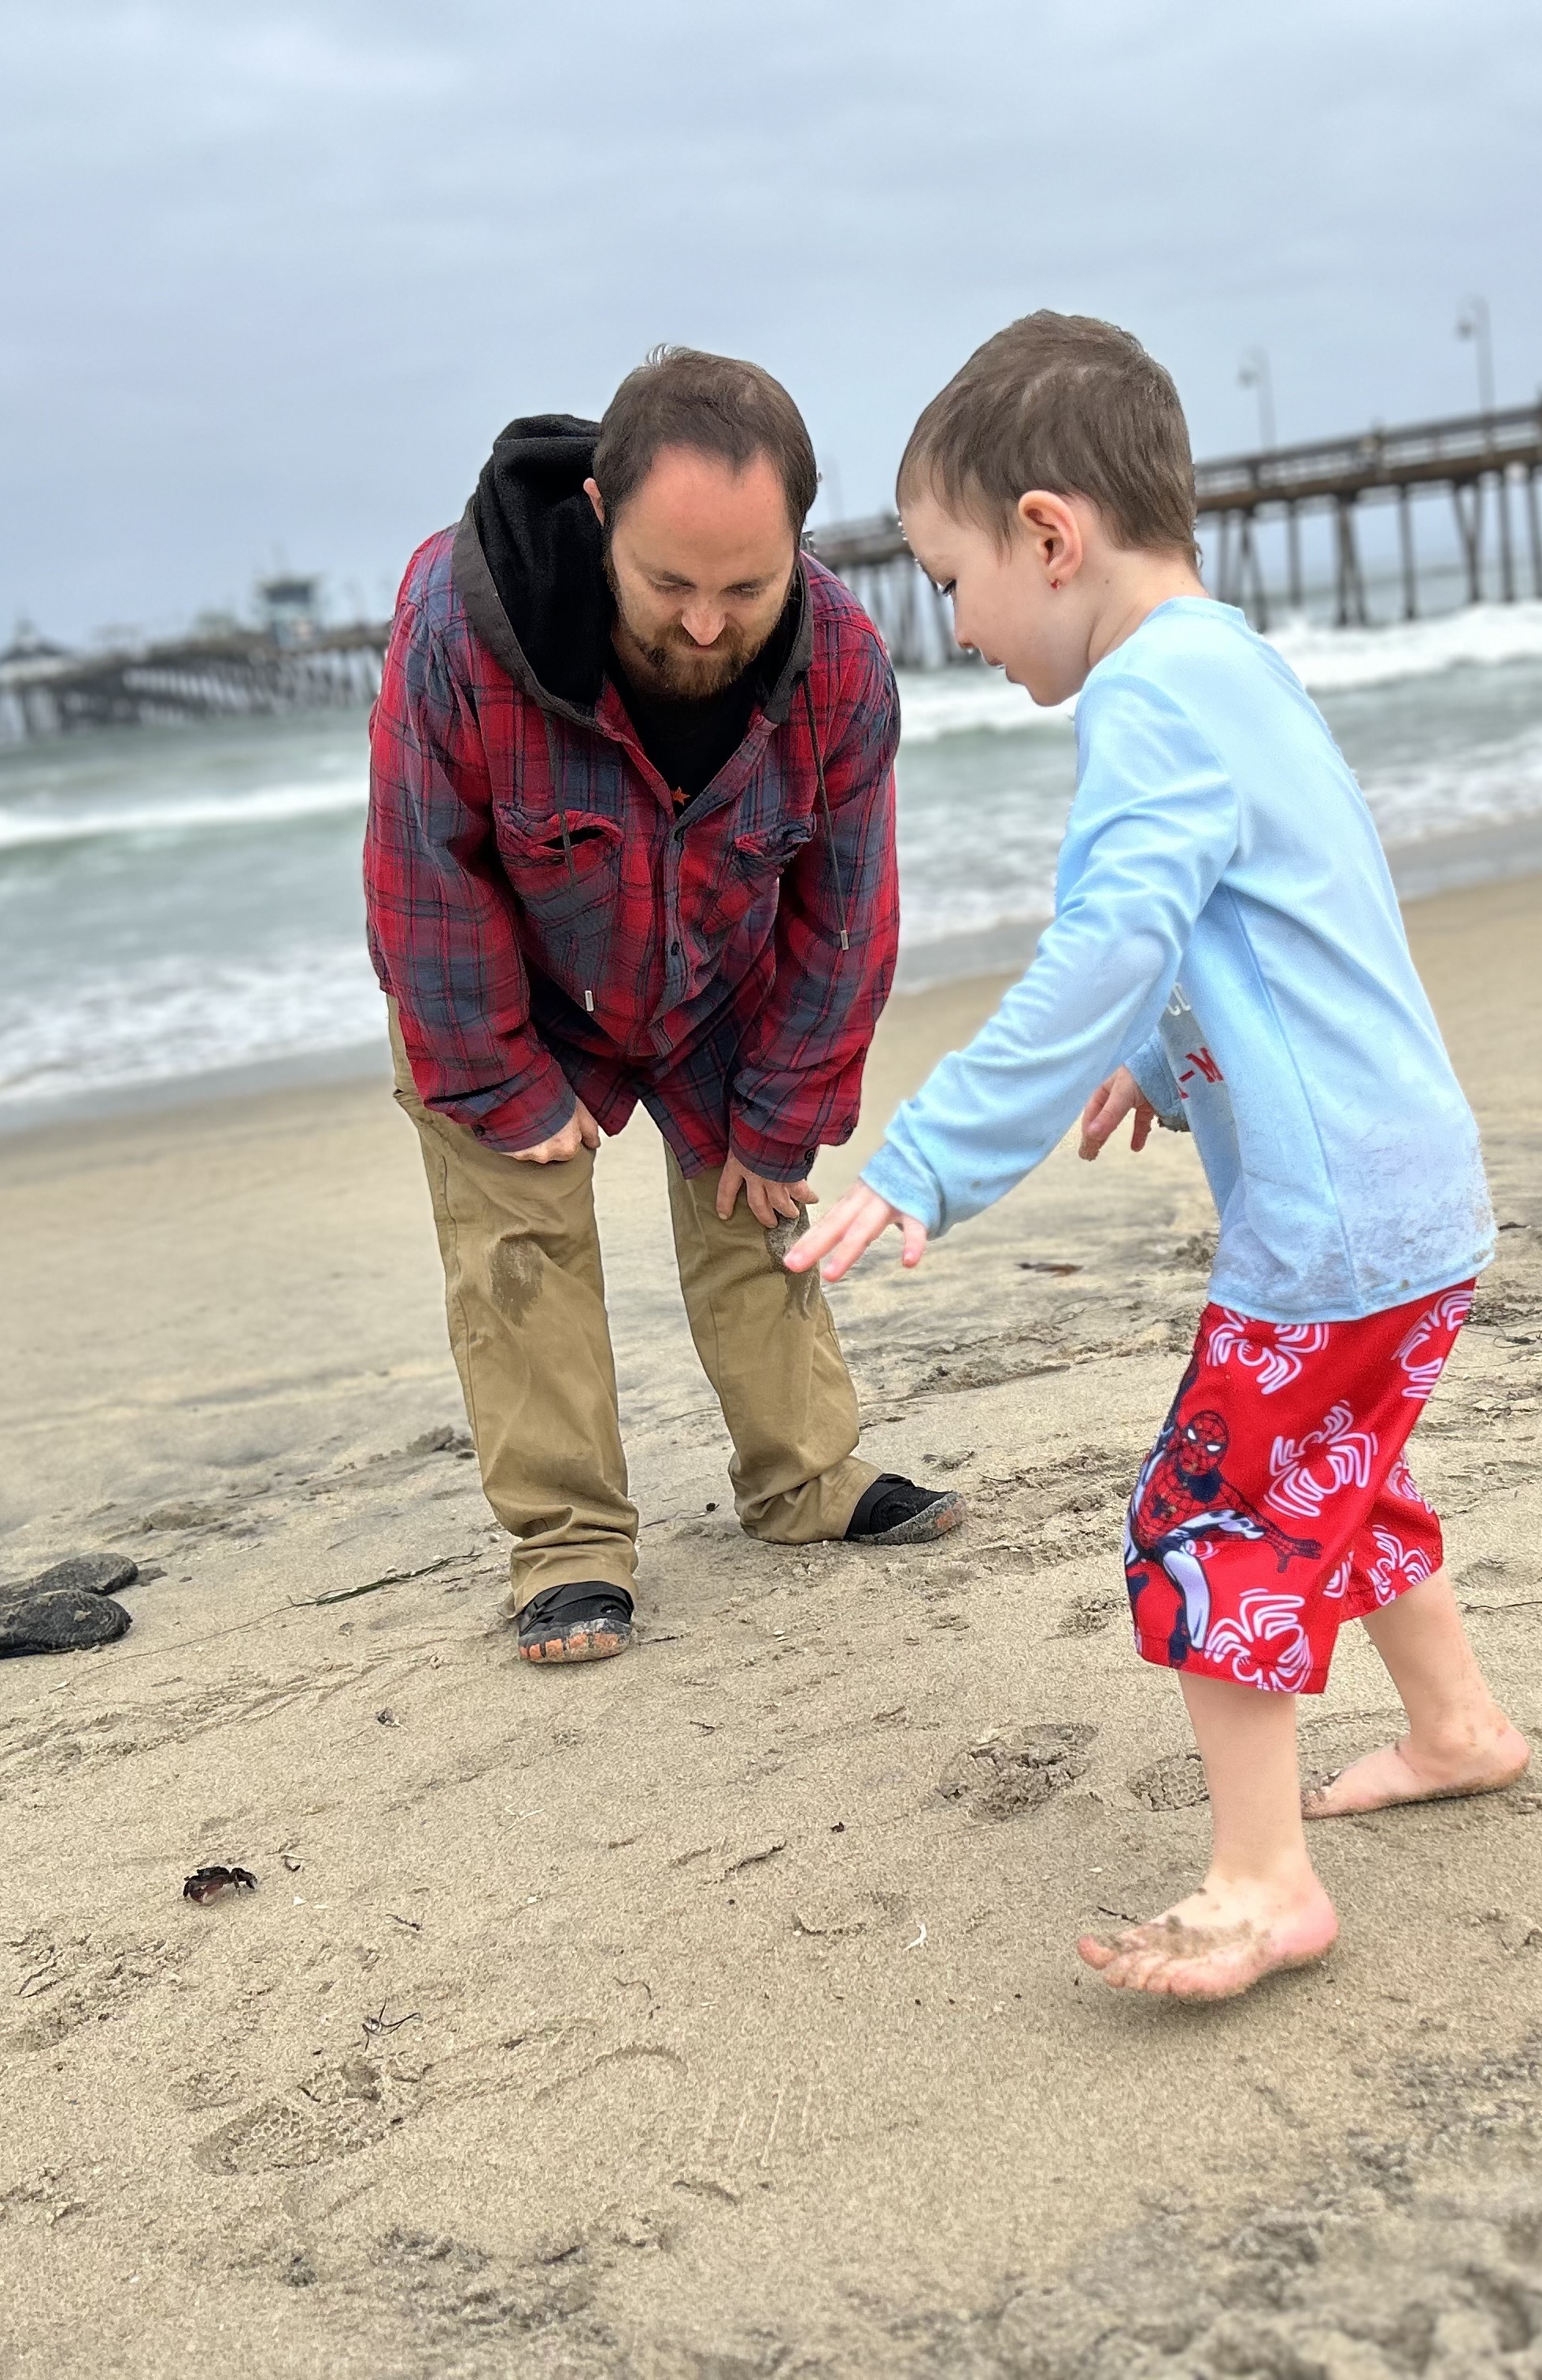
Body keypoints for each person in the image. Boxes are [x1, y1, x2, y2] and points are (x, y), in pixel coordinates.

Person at [789, 314, 1527, 2000]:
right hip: (1416, 1190)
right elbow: (1274, 913)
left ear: (1051, 536)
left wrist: (930, 1160)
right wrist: (1161, 1068)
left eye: (949, 575)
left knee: (1212, 1521)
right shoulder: (1235, 665)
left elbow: (1113, 936)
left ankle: (1264, 1881)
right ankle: (1456, 1724)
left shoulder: (1146, 705)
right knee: (1340, 1475)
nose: (952, 626)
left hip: (1334, 1221)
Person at [366, 349, 962, 1669]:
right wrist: (498, 1083)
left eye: (746, 589)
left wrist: (785, 1109)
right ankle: (570, 1551)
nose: (706, 625)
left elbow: (845, 916)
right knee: (517, 1249)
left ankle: (806, 1478)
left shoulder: (845, 671)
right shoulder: (459, 625)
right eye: (669, 585)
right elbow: (423, 869)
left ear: (799, 547)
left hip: (720, 969)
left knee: (762, 1205)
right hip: (505, 978)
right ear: (597, 515)